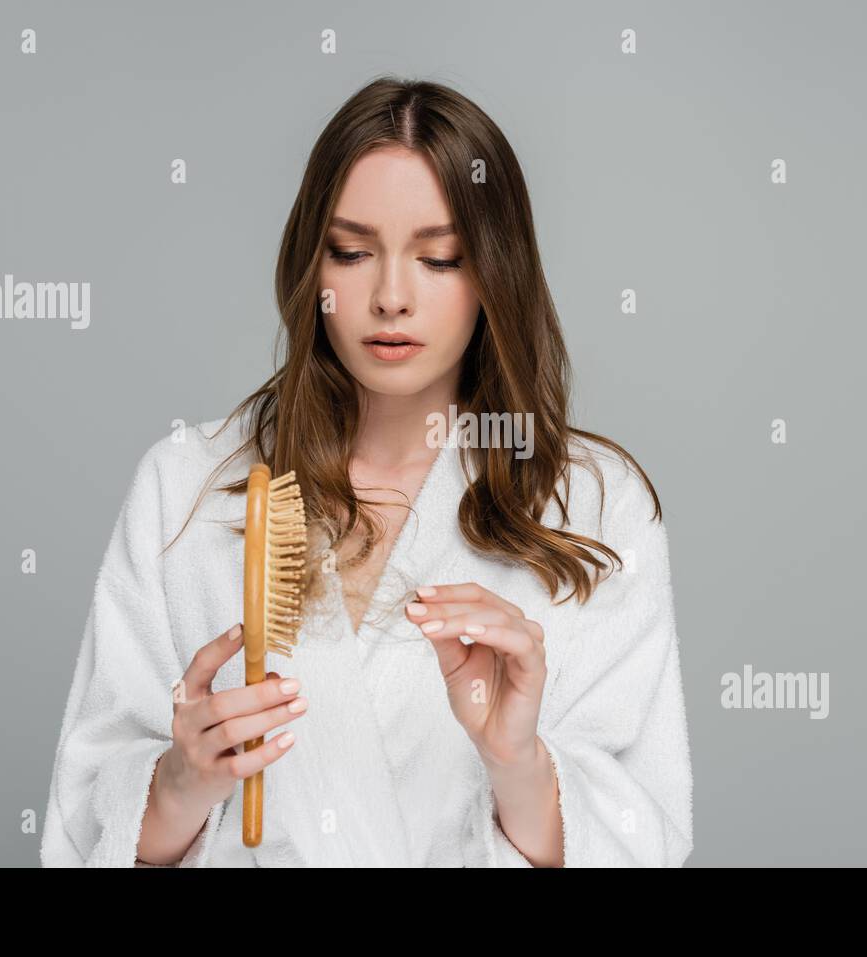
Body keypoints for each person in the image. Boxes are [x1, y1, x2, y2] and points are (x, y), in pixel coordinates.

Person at [40, 75, 693, 867]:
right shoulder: (186, 485)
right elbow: (80, 828)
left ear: (495, 272)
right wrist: (181, 782)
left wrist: (518, 763)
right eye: (351, 252)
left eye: (440, 258)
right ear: (310, 264)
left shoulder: (594, 508)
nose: (390, 297)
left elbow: (644, 838)